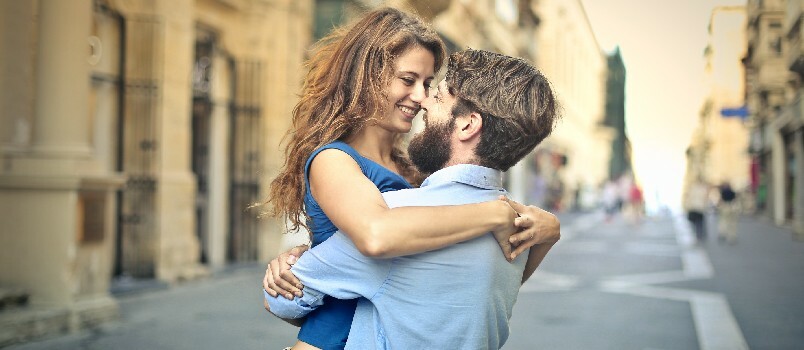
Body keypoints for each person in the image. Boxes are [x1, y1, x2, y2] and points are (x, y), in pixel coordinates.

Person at [261, 8, 560, 350]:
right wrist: (498, 214)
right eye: (408, 80)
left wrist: (545, 227)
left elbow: (458, 270)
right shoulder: (335, 160)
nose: (420, 97)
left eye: (429, 84)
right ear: (368, 77)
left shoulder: (415, 173)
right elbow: (377, 234)